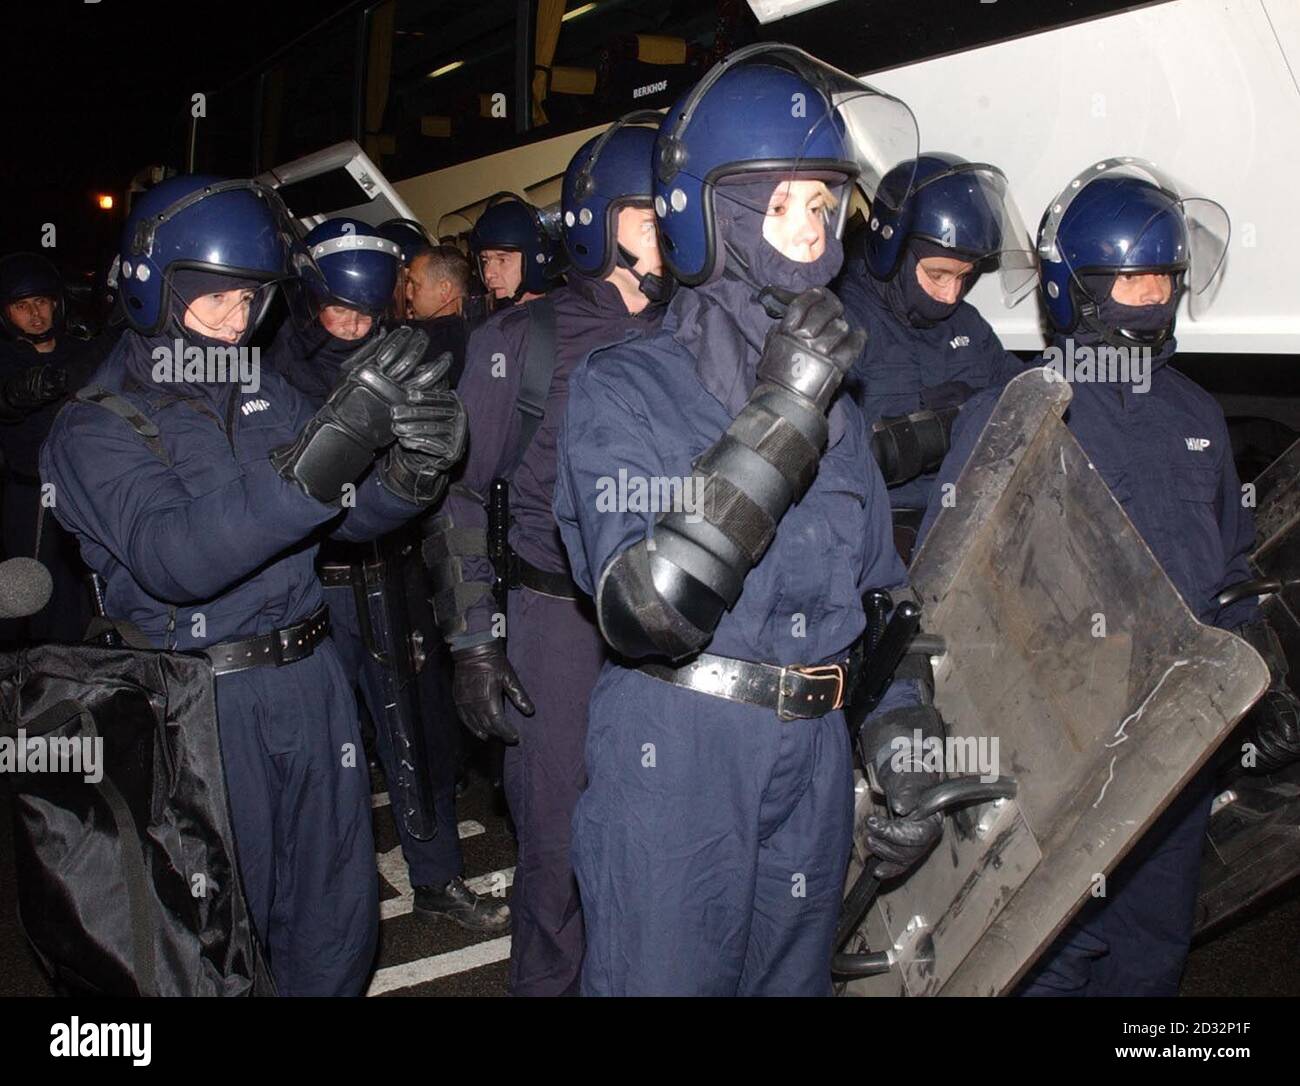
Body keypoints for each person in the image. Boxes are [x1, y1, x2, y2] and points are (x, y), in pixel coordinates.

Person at [552, 45, 933, 996]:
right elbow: (647, 608)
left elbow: (881, 598)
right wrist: (785, 415)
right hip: (679, 753)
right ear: (703, 217)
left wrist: (906, 745)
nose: (807, 235)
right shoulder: (624, 385)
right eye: (776, 205)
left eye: (822, 204)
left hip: (813, 756)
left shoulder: (837, 404)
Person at [40, 176, 467, 996]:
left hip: (309, 683)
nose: (238, 321)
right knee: (216, 933)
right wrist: (323, 452)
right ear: (156, 288)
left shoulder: (267, 389)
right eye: (218, 300)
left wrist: (411, 474)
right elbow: (176, 557)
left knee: (336, 920)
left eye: (253, 300)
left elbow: (339, 516)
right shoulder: (98, 422)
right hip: (198, 702)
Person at [917, 158, 1277, 996]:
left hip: (1174, 745)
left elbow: (1228, 566)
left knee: (1152, 954)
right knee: (1045, 956)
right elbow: (946, 591)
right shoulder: (1021, 411)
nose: (1151, 301)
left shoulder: (1196, 414)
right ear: (1075, 289)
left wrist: (1262, 665)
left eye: (1163, 280)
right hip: (1054, 749)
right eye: (1131, 281)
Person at [425, 115, 670, 995]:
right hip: (555, 627)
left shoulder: (701, 332)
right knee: (556, 858)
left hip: (678, 634)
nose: (676, 222)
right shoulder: (515, 345)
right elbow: (455, 495)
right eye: (652, 212)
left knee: (662, 859)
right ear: (599, 219)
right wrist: (474, 641)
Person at [265, 216, 506, 934]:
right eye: (337, 308)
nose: (349, 324)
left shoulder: (402, 355)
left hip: (389, 574)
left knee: (415, 735)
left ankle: (436, 877)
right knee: (321, 754)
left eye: (364, 312)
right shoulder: (269, 372)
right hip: (307, 587)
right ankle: (320, 903)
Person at [835, 153, 1033, 556]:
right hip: (877, 530)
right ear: (894, 248)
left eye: (965, 276)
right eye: (938, 274)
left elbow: (1025, 399)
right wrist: (959, 421)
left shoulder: (968, 325)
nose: (950, 295)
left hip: (971, 520)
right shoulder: (838, 322)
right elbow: (838, 459)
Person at [0, 252, 95, 642]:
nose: (34, 314)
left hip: (87, 490)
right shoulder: (6, 360)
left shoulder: (82, 351)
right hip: (31, 495)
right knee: (31, 596)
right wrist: (17, 395)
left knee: (91, 591)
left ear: (56, 303)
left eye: (41, 302)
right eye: (22, 306)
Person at [467, 195, 558, 309]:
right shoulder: (492, 324)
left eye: (502, 259)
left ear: (534, 261)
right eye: (485, 261)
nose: (488, 274)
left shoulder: (573, 316)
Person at [407, 245, 472, 387]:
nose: (408, 294)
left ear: (444, 289)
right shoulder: (482, 330)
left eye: (415, 284)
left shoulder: (427, 343)